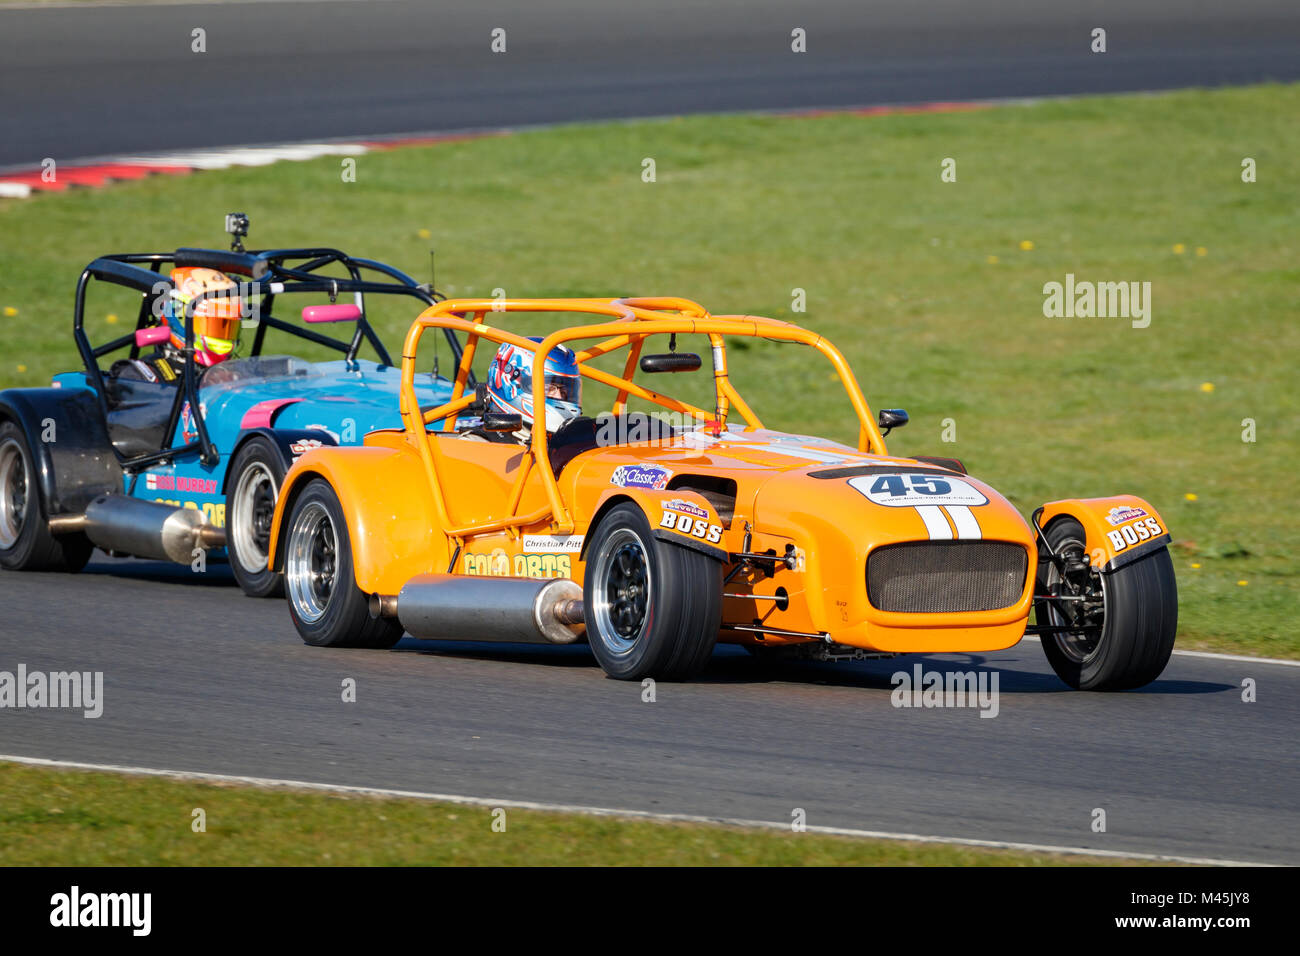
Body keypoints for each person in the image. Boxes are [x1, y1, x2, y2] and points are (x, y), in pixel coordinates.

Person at [112, 267, 244, 384]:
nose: (223, 336)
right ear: (179, 317)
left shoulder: (236, 376)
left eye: (229, 327)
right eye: (214, 325)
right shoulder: (145, 377)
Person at [472, 338, 582, 442]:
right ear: (511, 383)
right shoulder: (479, 445)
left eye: (565, 391)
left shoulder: (570, 444)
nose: (559, 397)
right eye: (548, 388)